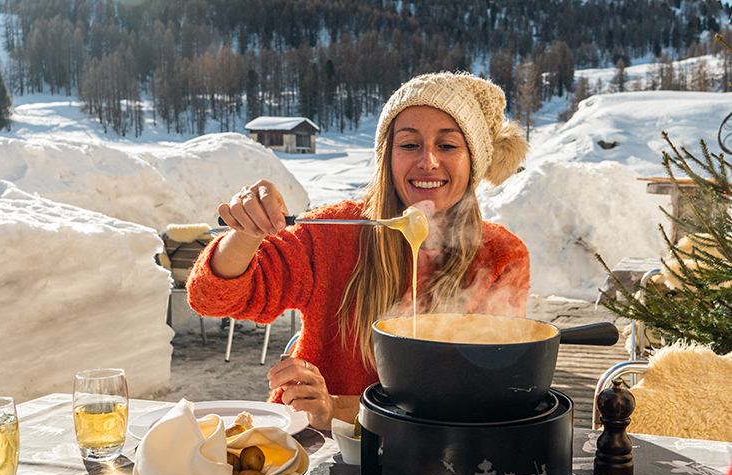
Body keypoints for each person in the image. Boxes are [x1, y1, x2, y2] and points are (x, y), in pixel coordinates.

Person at [187, 71, 531, 430]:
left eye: (447, 145)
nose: (427, 161)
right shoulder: (335, 232)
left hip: (441, 451)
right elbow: (210, 298)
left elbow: (485, 393)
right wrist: (246, 233)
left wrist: (336, 407)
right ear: (387, 158)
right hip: (316, 448)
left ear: (473, 161)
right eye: (409, 144)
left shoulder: (501, 255)